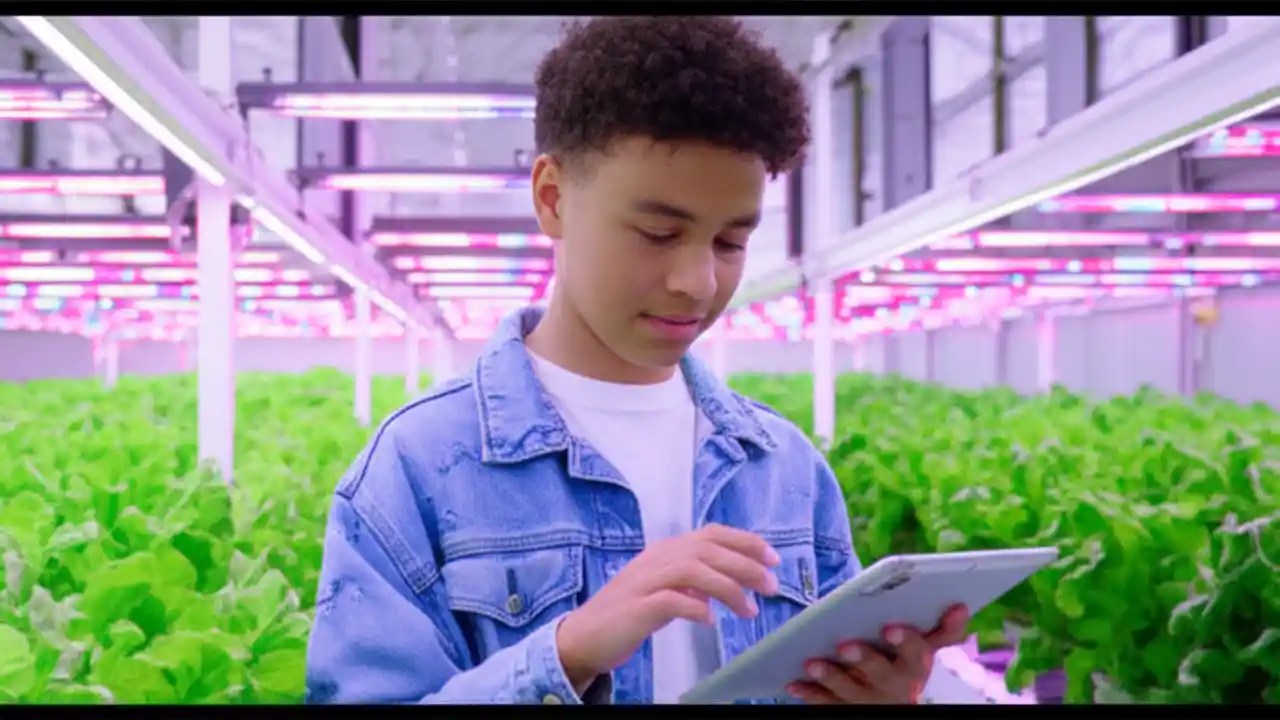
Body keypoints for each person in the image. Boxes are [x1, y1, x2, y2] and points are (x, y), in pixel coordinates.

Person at [305, 15, 968, 705]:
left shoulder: (786, 472)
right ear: (552, 197)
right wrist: (565, 656)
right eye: (658, 233)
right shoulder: (416, 469)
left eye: (730, 243)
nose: (698, 282)